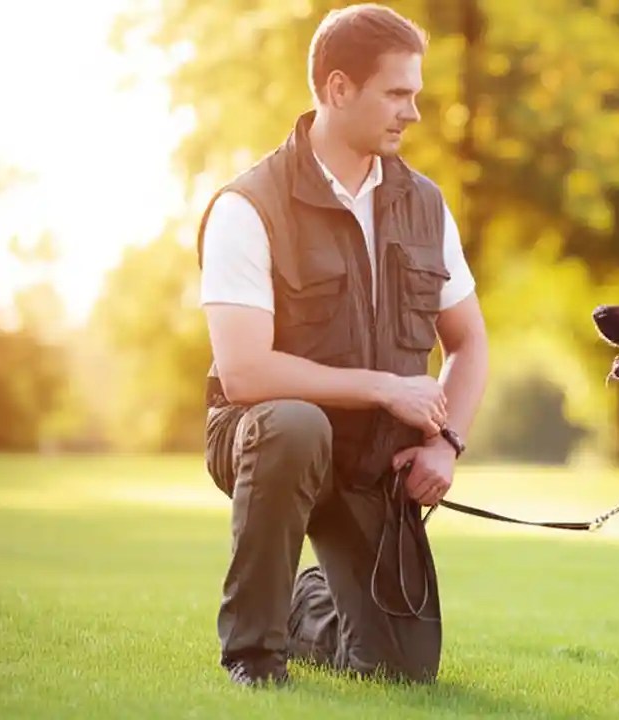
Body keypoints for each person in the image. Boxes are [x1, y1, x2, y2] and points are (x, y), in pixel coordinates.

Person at [196, 3, 488, 687]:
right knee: (294, 424)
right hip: (265, 439)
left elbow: (470, 341)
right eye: (397, 93)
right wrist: (385, 387)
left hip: (371, 466)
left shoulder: (425, 204)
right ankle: (254, 654)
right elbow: (244, 373)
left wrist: (447, 444)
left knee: (403, 669)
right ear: (336, 89)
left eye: (414, 94)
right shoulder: (248, 206)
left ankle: (312, 604)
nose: (412, 112)